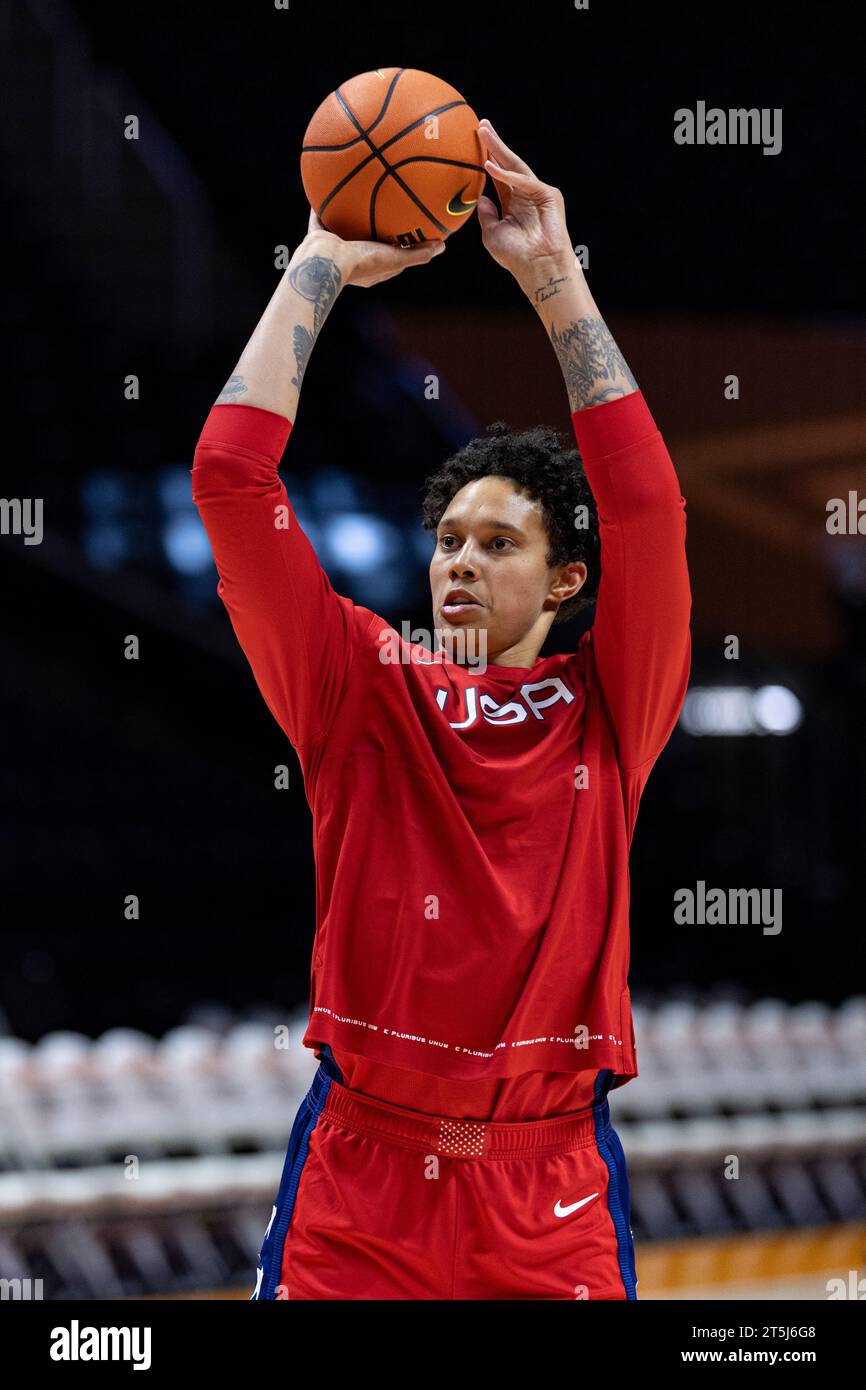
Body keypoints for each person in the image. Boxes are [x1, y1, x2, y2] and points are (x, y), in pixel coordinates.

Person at [192, 118, 691, 1300]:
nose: (457, 563)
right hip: (361, 1181)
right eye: (445, 540)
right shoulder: (355, 682)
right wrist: (316, 260)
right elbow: (229, 476)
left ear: (567, 579)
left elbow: (649, 514)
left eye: (496, 542)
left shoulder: (610, 707)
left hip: (546, 1183)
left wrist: (551, 276)